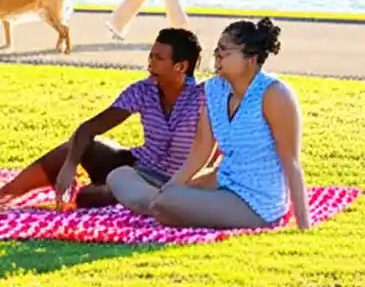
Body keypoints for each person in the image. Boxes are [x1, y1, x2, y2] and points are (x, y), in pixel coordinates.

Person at [107, 18, 311, 230]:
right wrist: (172, 186)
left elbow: (292, 163)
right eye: (216, 52)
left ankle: (164, 204)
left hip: (256, 203)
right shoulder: (214, 90)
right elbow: (201, 149)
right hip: (221, 183)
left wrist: (304, 224)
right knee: (119, 176)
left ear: (250, 59)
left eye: (225, 53)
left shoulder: (275, 94)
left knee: (168, 201)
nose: (217, 59)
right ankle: (164, 203)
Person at [0, 28, 204, 210]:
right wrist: (70, 165)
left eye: (159, 59)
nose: (150, 64)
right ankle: (4, 194)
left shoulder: (203, 99)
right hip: (136, 164)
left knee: (102, 194)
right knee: (75, 147)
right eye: (151, 56)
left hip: (166, 181)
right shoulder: (143, 90)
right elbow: (88, 128)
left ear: (181, 66)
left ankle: (78, 195)